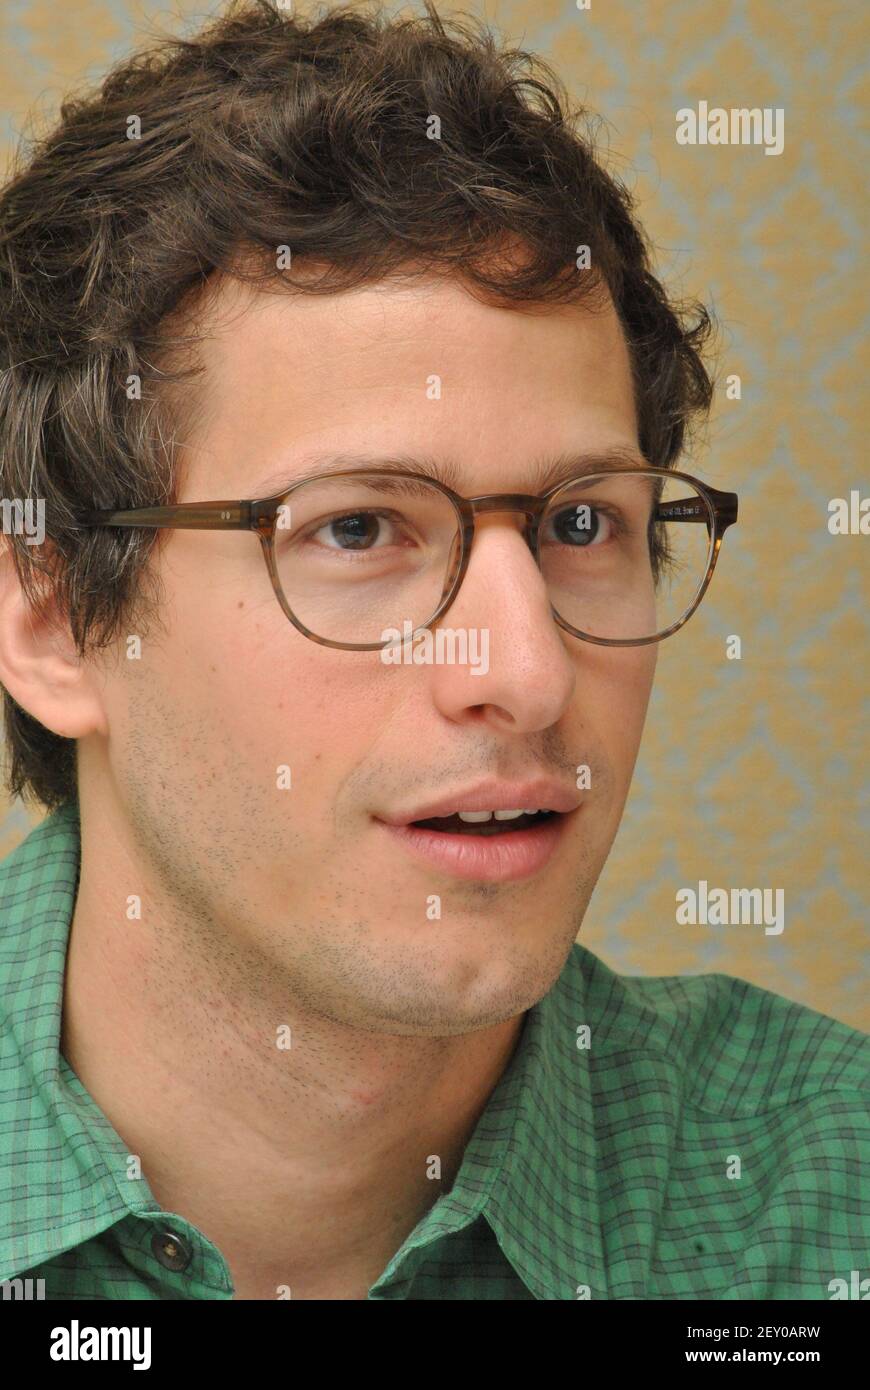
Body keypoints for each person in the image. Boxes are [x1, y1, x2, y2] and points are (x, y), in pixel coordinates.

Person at [0, 0, 865, 1301]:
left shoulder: (822, 1191)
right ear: (52, 615)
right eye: (358, 528)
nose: (529, 671)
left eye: (580, 522)